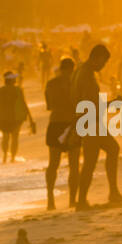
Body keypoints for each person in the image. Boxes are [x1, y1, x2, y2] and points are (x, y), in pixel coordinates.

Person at [74, 44, 122, 207]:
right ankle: (104, 195)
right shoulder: (87, 74)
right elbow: (92, 105)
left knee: (100, 155)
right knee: (99, 156)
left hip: (86, 121)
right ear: (96, 58)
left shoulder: (82, 70)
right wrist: (114, 102)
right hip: (90, 121)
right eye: (103, 62)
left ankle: (87, 198)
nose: (104, 66)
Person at [43, 57, 80, 210]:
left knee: (53, 164)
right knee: (74, 164)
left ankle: (50, 199)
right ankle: (72, 199)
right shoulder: (75, 84)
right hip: (71, 124)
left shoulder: (51, 84)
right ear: (72, 69)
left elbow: (49, 106)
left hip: (56, 124)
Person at [0, 72, 34, 164]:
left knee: (5, 137)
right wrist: (30, 118)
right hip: (16, 117)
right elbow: (24, 103)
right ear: (11, 80)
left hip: (3, 117)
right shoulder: (18, 90)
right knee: (15, 137)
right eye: (14, 79)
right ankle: (12, 157)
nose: (15, 80)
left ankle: (4, 156)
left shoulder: (0, 90)